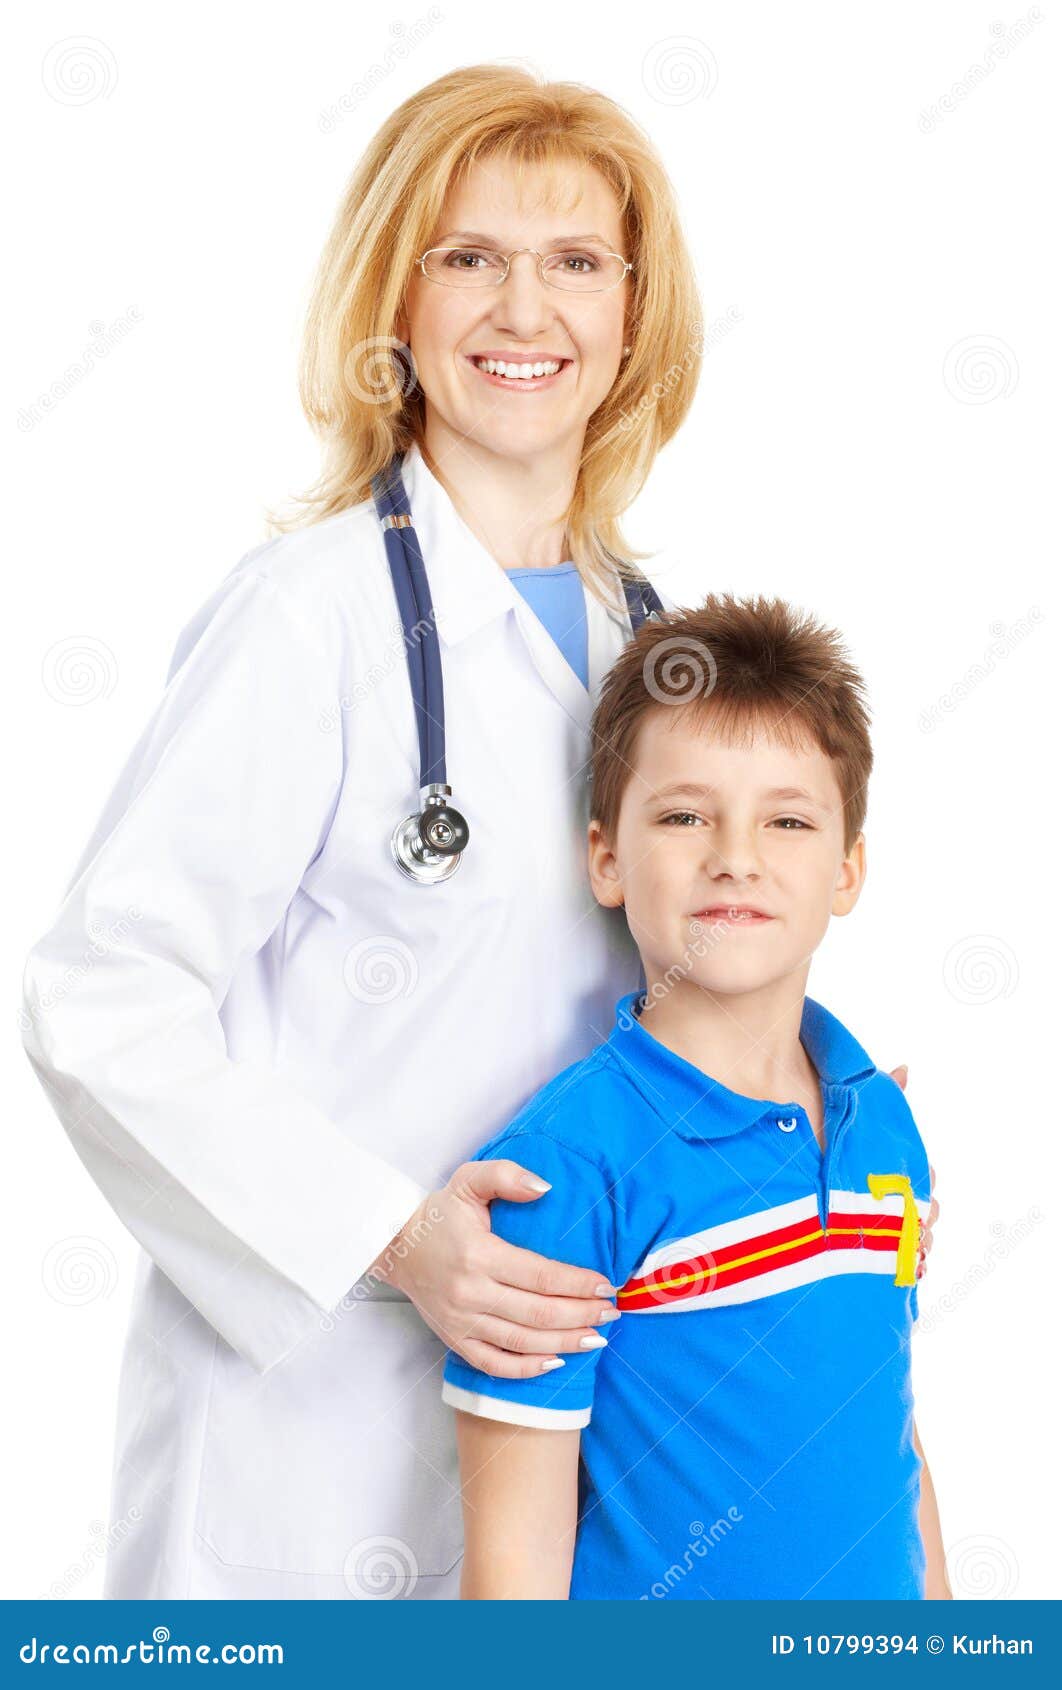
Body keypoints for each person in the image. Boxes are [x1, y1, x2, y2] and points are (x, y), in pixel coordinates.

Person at [19, 65, 934, 1601]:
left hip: (591, 1436)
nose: (527, 309)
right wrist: (392, 1237)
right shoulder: (302, 619)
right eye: (469, 258)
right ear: (398, 301)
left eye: (575, 262)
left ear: (632, 317)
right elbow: (98, 997)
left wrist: (811, 1098)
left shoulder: (658, 645)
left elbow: (685, 971)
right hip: (305, 1437)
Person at [441, 593, 952, 1600]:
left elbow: (890, 1430)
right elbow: (514, 1564)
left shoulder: (882, 1123)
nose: (737, 856)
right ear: (606, 859)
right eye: (683, 814)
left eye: (789, 819)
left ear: (848, 868)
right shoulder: (563, 1169)